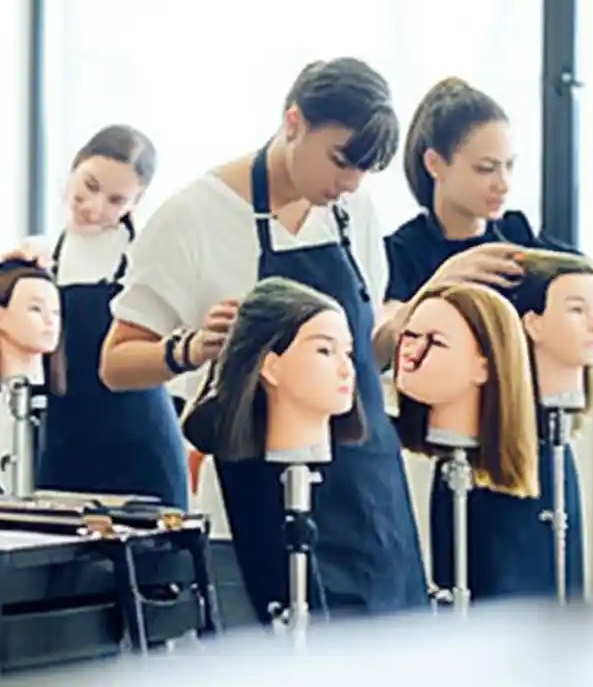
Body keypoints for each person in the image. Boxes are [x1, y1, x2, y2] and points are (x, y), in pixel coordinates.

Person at [100, 58, 428, 613]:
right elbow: (115, 364)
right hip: (251, 510)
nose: (350, 182)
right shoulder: (194, 219)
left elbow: (363, 356)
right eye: (341, 160)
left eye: (365, 169)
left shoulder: (354, 210)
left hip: (368, 499)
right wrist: (189, 349)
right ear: (293, 121)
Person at [382, 77, 593, 312]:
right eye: (485, 168)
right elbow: (383, 337)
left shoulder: (515, 234)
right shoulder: (403, 251)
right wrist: (441, 283)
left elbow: (578, 269)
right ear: (435, 164)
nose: (503, 184)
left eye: (509, 166)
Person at [31, 125, 189, 508]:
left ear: (137, 201)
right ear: (74, 168)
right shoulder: (41, 254)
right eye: (89, 186)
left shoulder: (147, 257)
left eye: (116, 200)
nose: (94, 207)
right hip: (65, 433)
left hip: (139, 436)